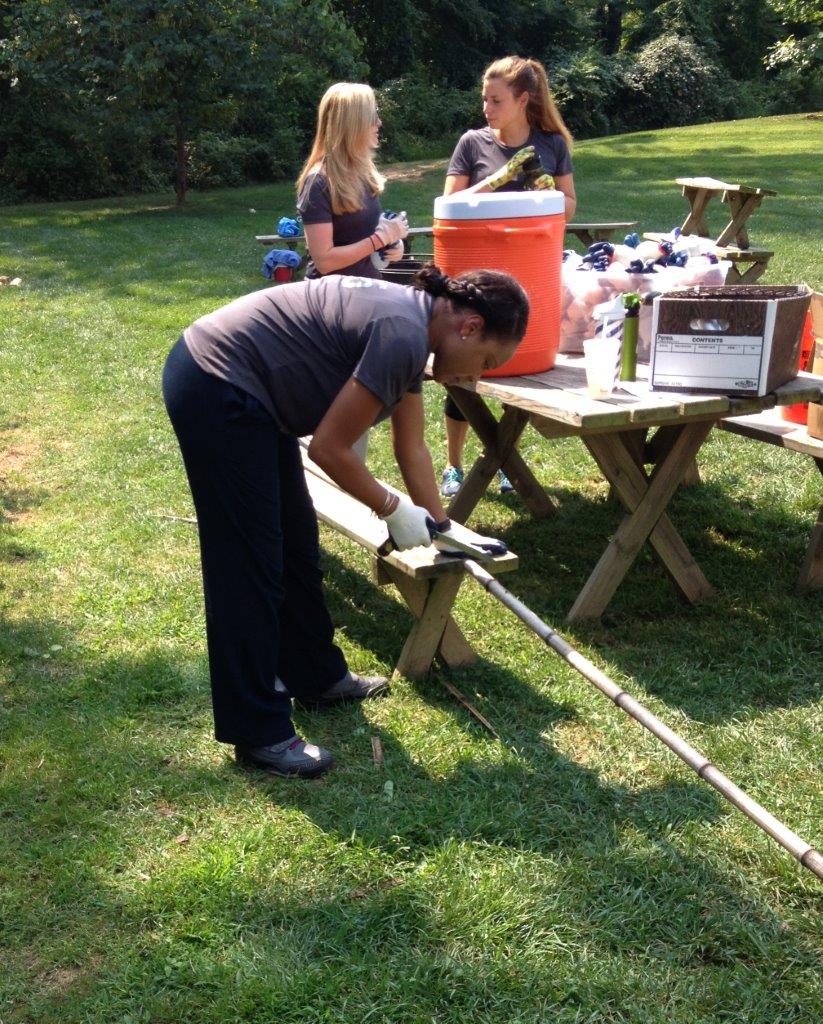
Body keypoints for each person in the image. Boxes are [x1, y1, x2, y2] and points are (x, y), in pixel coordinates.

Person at [162, 266, 529, 779]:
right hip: (216, 382)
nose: (477, 377)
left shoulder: (417, 328)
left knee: (295, 545)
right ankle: (258, 730)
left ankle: (315, 676)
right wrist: (393, 508)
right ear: (469, 327)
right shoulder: (402, 334)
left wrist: (443, 526)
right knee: (248, 567)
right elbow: (330, 450)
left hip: (251, 393)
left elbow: (411, 446)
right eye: (486, 361)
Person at [439, 55, 577, 499]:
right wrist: (500, 178)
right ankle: (454, 465)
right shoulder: (471, 143)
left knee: (513, 369)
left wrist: (547, 193)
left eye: (496, 100)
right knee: (463, 371)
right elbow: (450, 205)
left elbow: (568, 207)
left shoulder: (552, 144)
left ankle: (501, 460)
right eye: (484, 98)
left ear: (522, 101)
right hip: (475, 275)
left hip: (529, 273)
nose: (487, 108)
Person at [296, 82, 409, 282]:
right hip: (330, 295)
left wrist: (392, 244)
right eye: (372, 117)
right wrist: (379, 239)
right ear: (352, 124)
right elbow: (324, 261)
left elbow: (362, 235)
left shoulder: (363, 173)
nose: (379, 122)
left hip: (365, 290)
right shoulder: (317, 183)